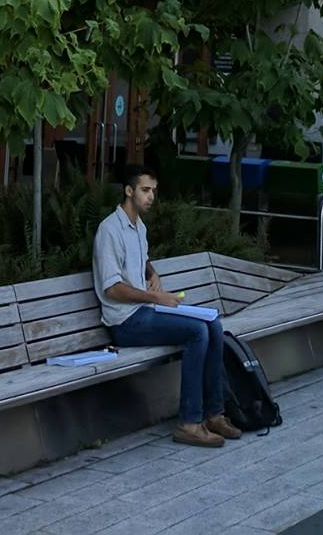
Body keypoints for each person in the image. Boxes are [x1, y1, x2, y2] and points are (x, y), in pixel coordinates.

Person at [91, 165, 241, 449]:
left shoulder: (138, 228)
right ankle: (189, 423)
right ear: (129, 190)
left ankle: (214, 414)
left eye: (154, 192)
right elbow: (112, 288)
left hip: (144, 314)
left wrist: (152, 273)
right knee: (197, 332)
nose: (151, 197)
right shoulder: (109, 230)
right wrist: (158, 298)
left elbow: (140, 259)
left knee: (213, 324)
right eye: (145, 191)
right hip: (125, 323)